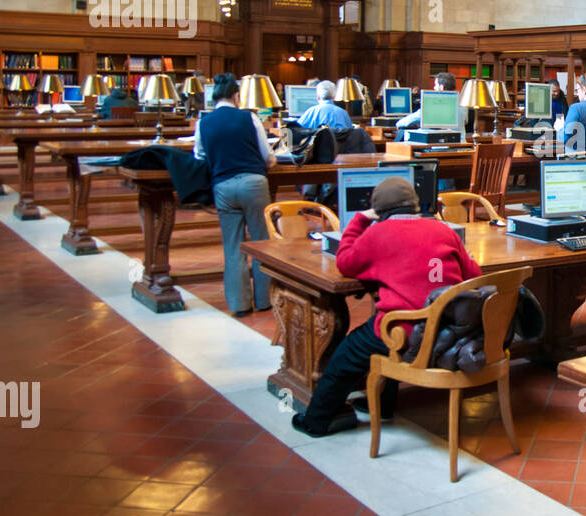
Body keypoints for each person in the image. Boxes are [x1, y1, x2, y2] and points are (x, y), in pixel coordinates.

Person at [292, 177, 482, 437]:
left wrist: (360, 219)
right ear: (415, 205)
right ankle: (383, 405)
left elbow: (345, 262)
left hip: (407, 330)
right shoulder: (443, 230)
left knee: (348, 353)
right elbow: (473, 274)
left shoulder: (378, 233)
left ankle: (315, 422)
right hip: (447, 330)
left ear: (380, 211)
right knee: (387, 329)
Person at [194, 73, 277, 317]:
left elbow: (200, 157)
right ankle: (265, 300)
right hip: (254, 184)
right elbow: (267, 156)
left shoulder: (203, 123)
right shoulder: (248, 118)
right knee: (262, 243)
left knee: (233, 246)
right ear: (235, 95)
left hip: (223, 186)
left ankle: (240, 305)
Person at [395, 71, 474, 137]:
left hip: (438, 145)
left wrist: (398, 124)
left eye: (435, 85)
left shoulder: (434, 101)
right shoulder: (463, 103)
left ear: (441, 87)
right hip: (460, 144)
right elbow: (465, 122)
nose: (434, 88)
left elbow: (404, 122)